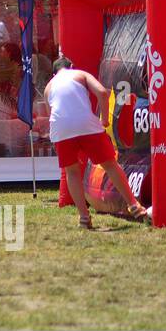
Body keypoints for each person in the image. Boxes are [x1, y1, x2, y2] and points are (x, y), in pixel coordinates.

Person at [46, 57, 148, 228]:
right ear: (71, 66)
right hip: (86, 124)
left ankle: (84, 217)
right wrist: (105, 120)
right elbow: (101, 92)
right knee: (110, 165)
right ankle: (134, 205)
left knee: (71, 172)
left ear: (54, 73)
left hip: (60, 127)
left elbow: (52, 113)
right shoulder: (79, 73)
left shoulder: (49, 86)